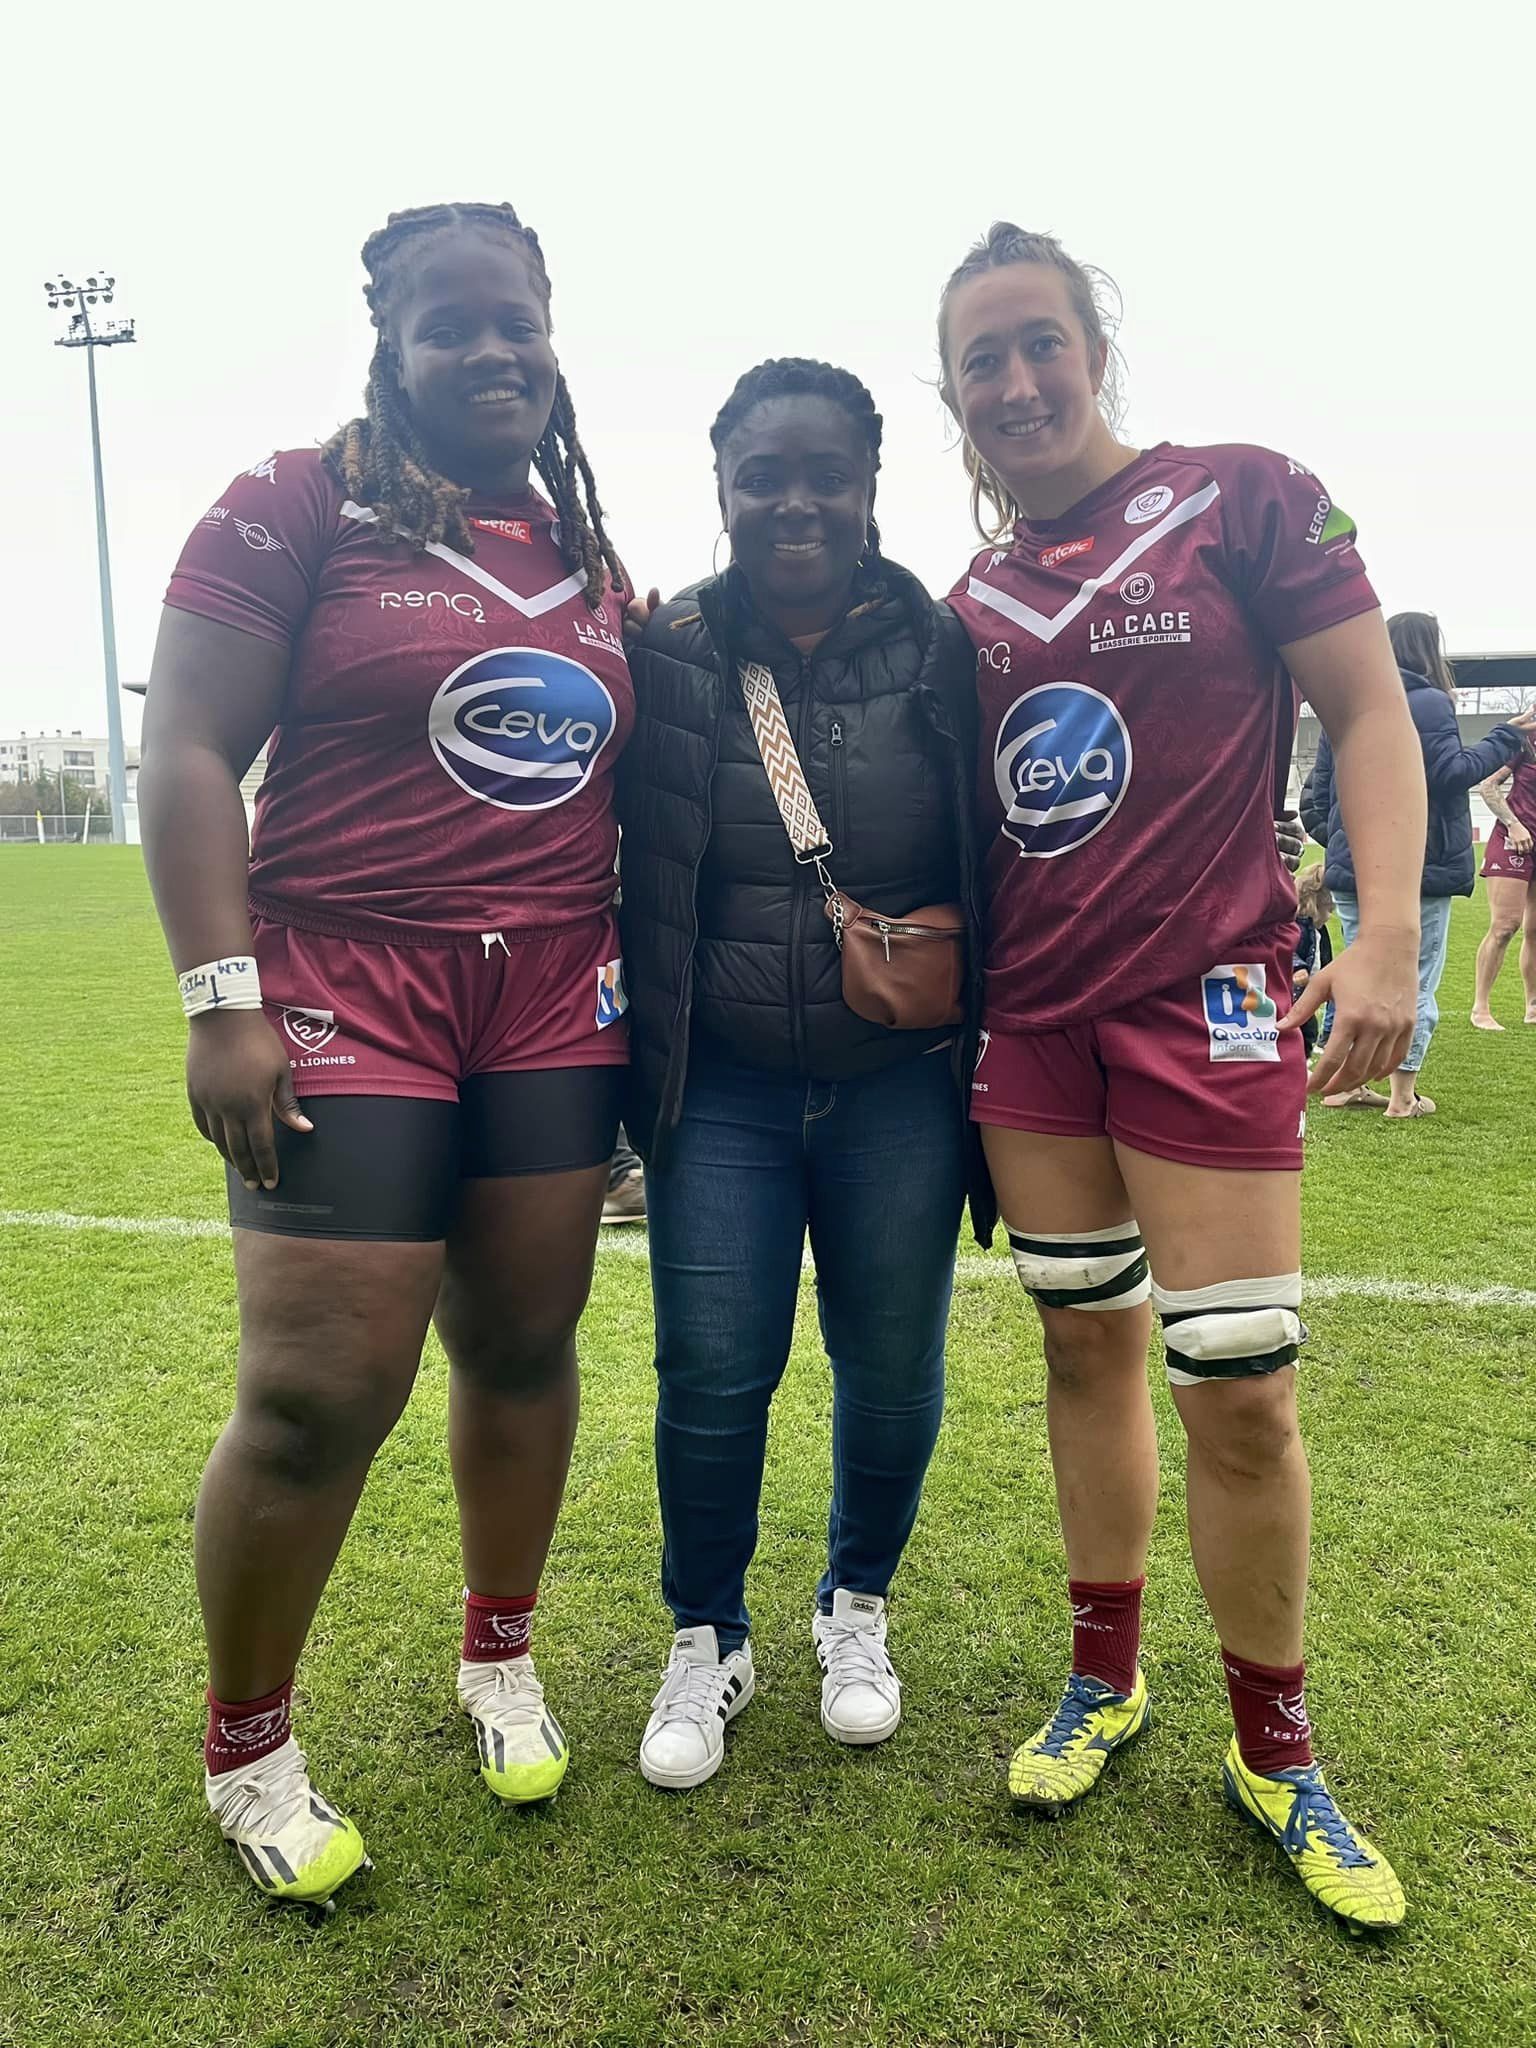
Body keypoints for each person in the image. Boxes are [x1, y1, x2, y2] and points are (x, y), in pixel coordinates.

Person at [138, 202, 633, 1908]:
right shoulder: (292, 500)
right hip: (347, 984)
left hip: (556, 996)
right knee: (316, 1390)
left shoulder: (583, 544)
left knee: (521, 1336)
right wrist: (222, 993)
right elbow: (193, 747)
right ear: (389, 344)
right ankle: (247, 1742)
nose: (492, 353)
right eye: (451, 327)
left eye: (519, 322)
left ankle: (499, 1655)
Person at [940, 223, 1423, 1930]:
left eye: (1040, 342)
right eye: (981, 358)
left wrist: (1374, 940)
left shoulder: (1247, 494)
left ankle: (1278, 1751)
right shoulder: (972, 599)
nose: (1015, 381)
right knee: (1083, 1346)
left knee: (1242, 1390)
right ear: (953, 394)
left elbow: (1369, 712)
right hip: (1035, 1037)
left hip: (1207, 1011)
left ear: (1094, 348)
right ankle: (1104, 1673)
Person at [617, 359, 988, 1790]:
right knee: (714, 1372)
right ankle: (708, 1633)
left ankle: (856, 1607)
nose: (794, 500)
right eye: (763, 473)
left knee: (890, 1372)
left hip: (899, 1079)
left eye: (824, 471)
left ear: (870, 484)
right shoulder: (667, 646)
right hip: (720, 1089)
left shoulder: (942, 645)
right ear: (720, 484)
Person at [1302, 611, 1534, 1113]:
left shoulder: (1343, 703)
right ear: (1430, 650)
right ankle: (1402, 1097)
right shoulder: (1428, 702)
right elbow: (1449, 773)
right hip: (1415, 872)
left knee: (1356, 971)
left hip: (1352, 874)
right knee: (1416, 977)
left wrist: (1348, 845)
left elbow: (1316, 799)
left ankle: (1347, 1085)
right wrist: (1505, 738)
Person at [1470, 740, 1536, 1029]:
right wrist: (1513, 823)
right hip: (1514, 840)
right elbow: (1488, 786)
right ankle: (1480, 1008)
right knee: (1505, 926)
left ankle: (1533, 1006)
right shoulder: (1525, 742)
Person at [1291, 866, 1334, 1060]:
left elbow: (1325, 958)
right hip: (1294, 993)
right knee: (1301, 1028)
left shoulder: (1319, 931)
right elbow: (1288, 951)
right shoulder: (1298, 930)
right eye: (1328, 910)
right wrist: (1298, 967)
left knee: (1308, 1028)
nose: (1330, 916)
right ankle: (1299, 1063)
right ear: (1314, 905)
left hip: (1309, 991)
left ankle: (1302, 1062)